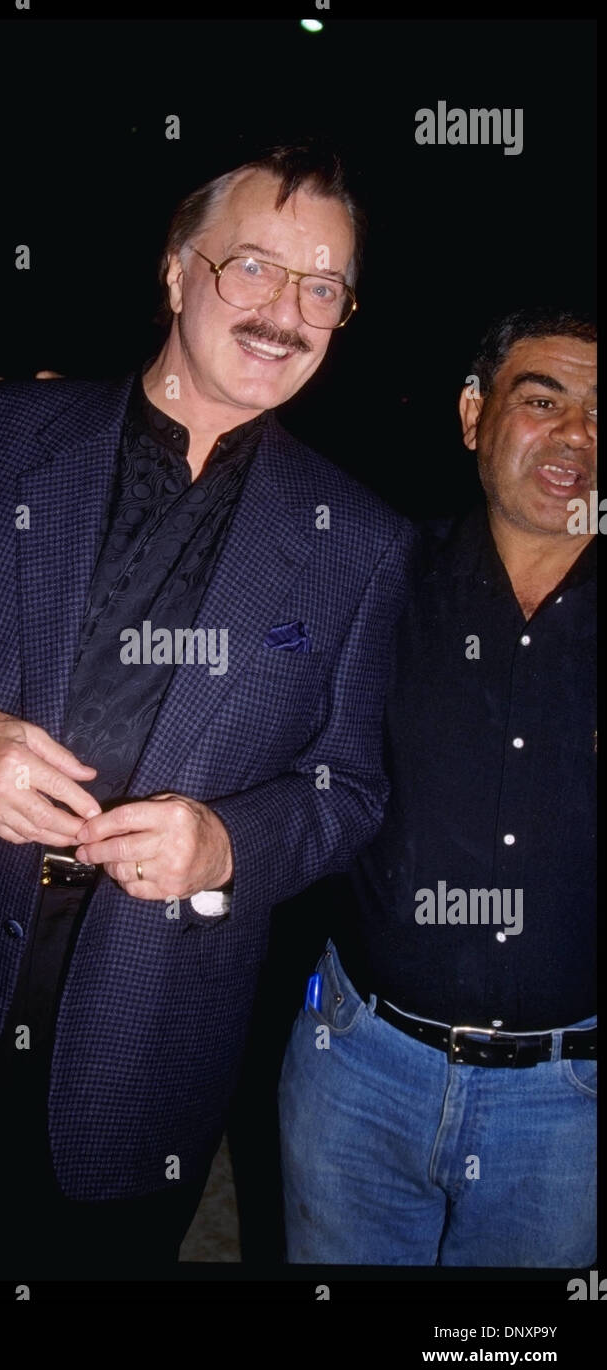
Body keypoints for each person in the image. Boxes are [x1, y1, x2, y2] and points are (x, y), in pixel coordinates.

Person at [0, 140, 414, 1275]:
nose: (284, 312)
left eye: (322, 286)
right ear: (174, 270)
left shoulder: (364, 541)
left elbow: (349, 788)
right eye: (251, 266)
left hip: (150, 1049)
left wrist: (228, 841)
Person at [279, 307, 596, 1267]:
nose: (579, 436)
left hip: (569, 1102)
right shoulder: (377, 575)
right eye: (544, 401)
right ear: (473, 415)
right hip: (357, 1068)